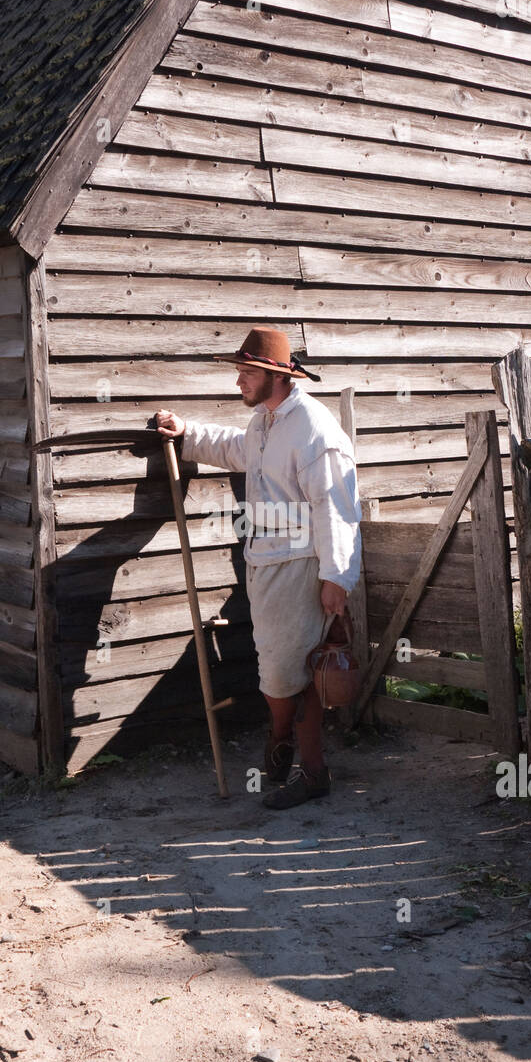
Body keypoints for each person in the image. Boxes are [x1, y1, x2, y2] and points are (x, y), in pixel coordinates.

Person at [156, 326, 362, 809]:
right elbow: (233, 449)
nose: (239, 382)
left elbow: (336, 507)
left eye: (247, 374)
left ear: (278, 377)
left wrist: (336, 576)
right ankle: (283, 742)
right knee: (282, 668)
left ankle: (307, 767)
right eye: (241, 373)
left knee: (298, 671)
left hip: (298, 566)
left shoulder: (315, 430)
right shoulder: (265, 423)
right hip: (265, 565)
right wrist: (186, 433)